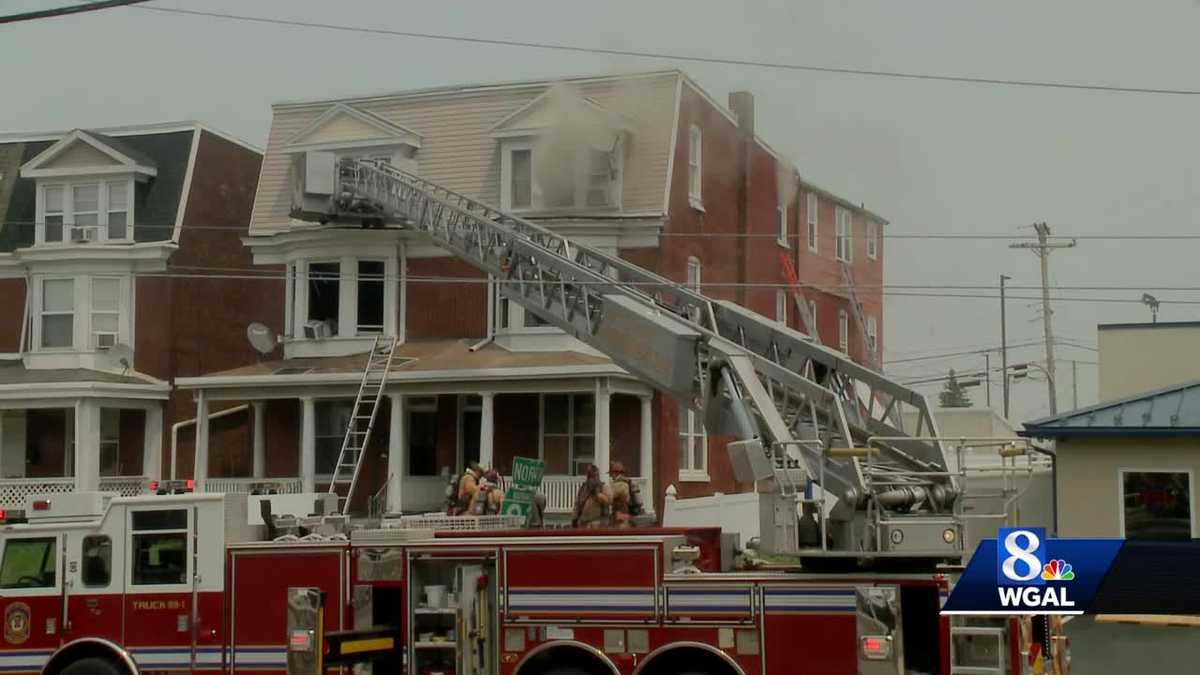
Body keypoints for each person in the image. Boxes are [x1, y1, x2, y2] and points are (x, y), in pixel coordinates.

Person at [572, 464, 612, 528]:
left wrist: (597, 494)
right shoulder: (583, 488)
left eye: (594, 475)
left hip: (599, 522)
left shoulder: (603, 487)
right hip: (584, 522)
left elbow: (609, 501)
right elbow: (577, 504)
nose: (592, 478)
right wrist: (574, 518)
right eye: (590, 476)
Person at [608, 462, 643, 528]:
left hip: (620, 515)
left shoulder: (619, 484)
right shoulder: (628, 482)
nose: (611, 476)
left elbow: (609, 498)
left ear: (616, 473)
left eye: (611, 473)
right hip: (627, 514)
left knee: (619, 535)